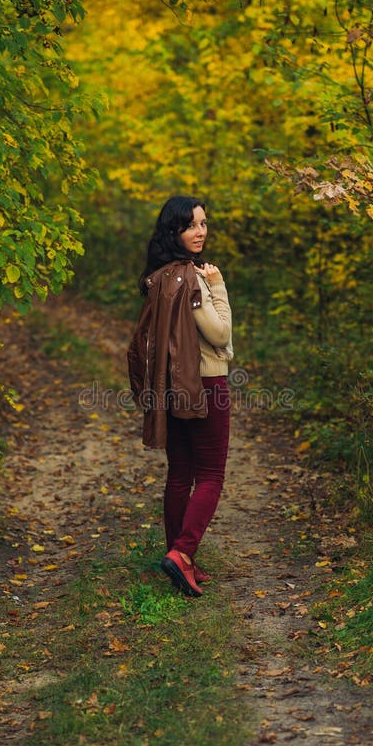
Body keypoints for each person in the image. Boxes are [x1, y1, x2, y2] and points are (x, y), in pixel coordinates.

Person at [128, 195, 233, 598]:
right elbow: (220, 334)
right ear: (174, 231)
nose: (201, 232)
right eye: (191, 225)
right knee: (210, 475)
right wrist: (218, 287)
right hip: (205, 385)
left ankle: (177, 554)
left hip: (169, 387)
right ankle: (183, 554)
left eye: (204, 223)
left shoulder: (157, 278)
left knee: (180, 473)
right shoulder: (192, 278)